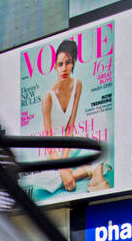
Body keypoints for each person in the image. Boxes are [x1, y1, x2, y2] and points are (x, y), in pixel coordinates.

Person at [40, 39, 108, 192]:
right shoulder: (48, 97)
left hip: (68, 144)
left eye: (68, 62)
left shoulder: (78, 84)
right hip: (53, 151)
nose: (64, 68)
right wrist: (62, 167)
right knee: (41, 180)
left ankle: (77, 173)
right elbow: (48, 142)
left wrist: (65, 163)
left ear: (74, 62)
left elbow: (70, 127)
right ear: (55, 66)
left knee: (99, 125)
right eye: (60, 64)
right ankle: (89, 171)